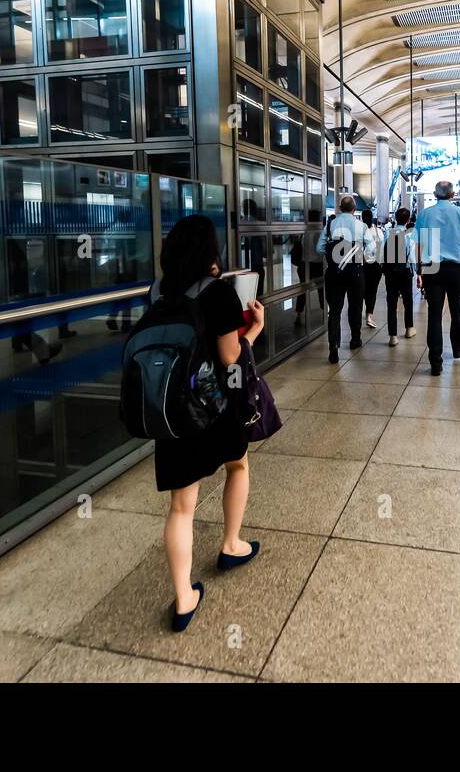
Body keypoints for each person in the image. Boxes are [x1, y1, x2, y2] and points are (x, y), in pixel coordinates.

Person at [149, 214, 265, 633]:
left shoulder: (159, 291)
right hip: (213, 403)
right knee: (238, 464)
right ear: (210, 252)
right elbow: (231, 357)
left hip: (172, 410)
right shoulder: (218, 294)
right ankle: (231, 544)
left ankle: (183, 598)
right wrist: (255, 329)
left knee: (181, 506)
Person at [414, 181, 460, 375]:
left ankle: (436, 362)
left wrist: (419, 269)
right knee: (456, 310)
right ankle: (457, 348)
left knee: (434, 315)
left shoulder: (425, 214)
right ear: (453, 194)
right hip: (456, 270)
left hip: (432, 268)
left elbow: (420, 245)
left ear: (435, 194)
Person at [316, 194, 368, 363]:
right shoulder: (361, 226)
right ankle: (355, 339)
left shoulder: (330, 225)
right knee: (355, 306)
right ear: (354, 209)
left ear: (339, 209)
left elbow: (319, 248)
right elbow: (372, 250)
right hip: (355, 272)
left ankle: (333, 347)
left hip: (334, 273)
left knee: (335, 311)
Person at [381, 206, 417, 346]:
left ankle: (393, 336)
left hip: (391, 272)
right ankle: (409, 329)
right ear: (408, 220)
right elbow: (412, 257)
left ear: (395, 219)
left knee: (391, 303)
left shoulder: (387, 233)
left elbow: (382, 253)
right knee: (408, 301)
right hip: (405, 271)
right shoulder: (409, 234)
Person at [361, 211, 385, 329]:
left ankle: (365, 310)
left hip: (364, 265)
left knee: (363, 289)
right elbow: (382, 248)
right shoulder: (379, 232)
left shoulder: (361, 231)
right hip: (376, 265)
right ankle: (369, 315)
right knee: (372, 290)